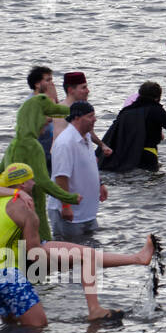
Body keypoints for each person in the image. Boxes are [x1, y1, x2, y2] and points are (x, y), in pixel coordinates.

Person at [0, 163, 157, 325]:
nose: (34, 183)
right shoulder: (24, 209)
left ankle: (137, 258)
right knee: (37, 329)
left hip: (10, 265)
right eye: (31, 180)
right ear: (22, 184)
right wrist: (63, 261)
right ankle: (94, 310)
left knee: (13, 327)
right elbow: (34, 252)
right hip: (10, 274)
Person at [3, 80, 80, 241]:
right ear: (35, 118)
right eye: (45, 116)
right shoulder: (33, 146)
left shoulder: (13, 144)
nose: (49, 120)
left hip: (11, 207)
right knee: (42, 246)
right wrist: (69, 198)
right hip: (33, 205)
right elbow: (43, 182)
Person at [47, 101, 106, 243]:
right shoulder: (65, 142)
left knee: (91, 256)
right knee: (70, 258)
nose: (95, 119)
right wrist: (66, 205)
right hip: (70, 215)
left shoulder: (86, 137)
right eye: (90, 116)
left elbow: (89, 164)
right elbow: (61, 177)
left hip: (87, 212)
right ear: (77, 118)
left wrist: (100, 184)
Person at [100, 82, 166, 173]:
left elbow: (112, 135)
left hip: (126, 157)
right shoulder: (155, 108)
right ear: (158, 97)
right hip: (148, 156)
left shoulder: (125, 111)